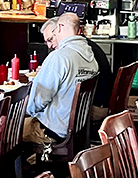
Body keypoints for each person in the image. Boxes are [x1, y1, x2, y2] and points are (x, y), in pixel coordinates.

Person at [24, 13, 99, 144]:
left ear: (59, 28)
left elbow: (37, 101)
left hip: (53, 130)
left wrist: (21, 112)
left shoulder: (59, 57)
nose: (49, 45)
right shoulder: (91, 58)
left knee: (5, 131)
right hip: (79, 128)